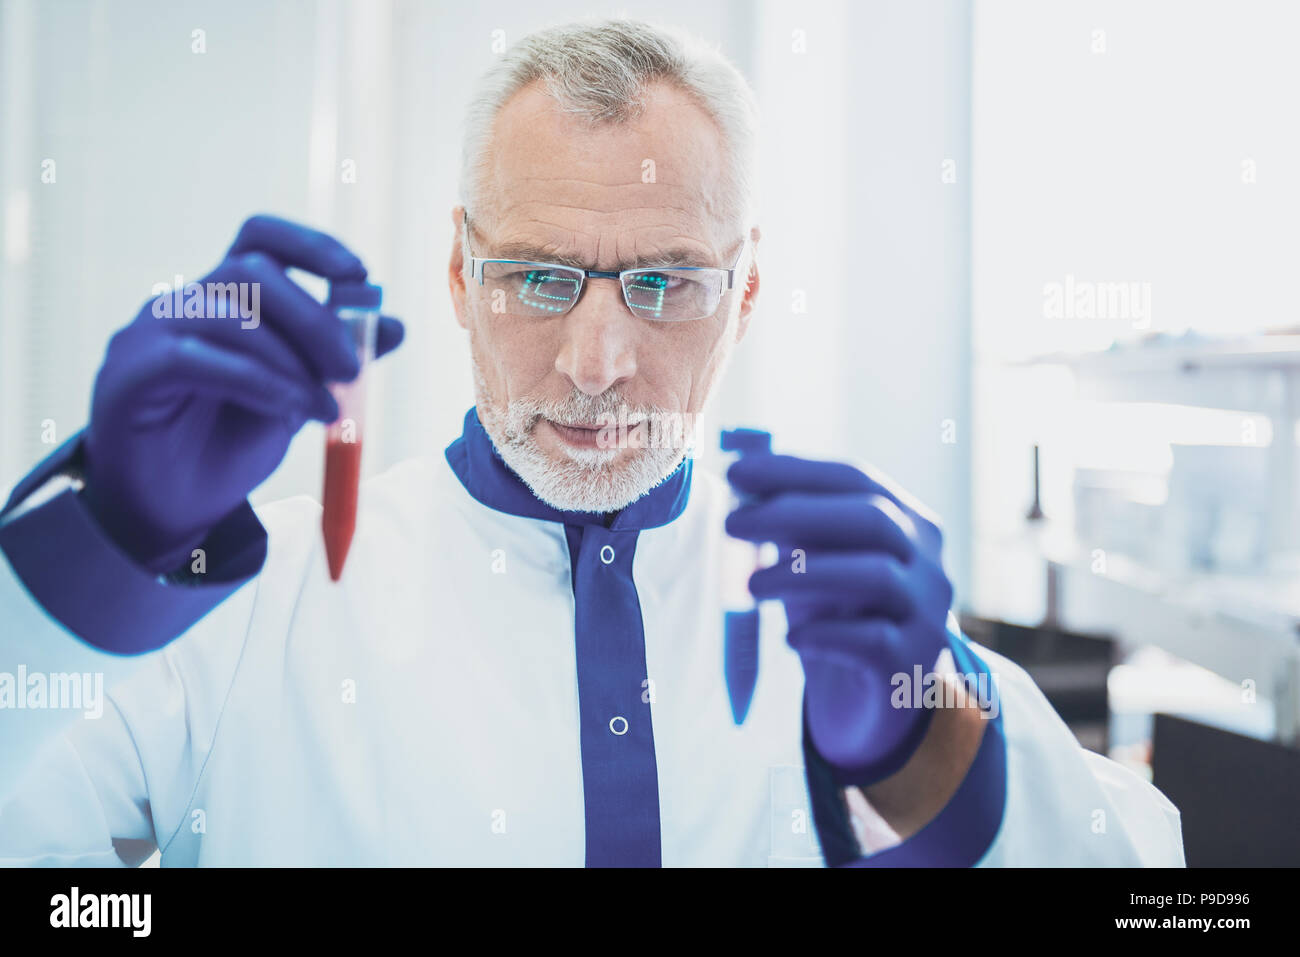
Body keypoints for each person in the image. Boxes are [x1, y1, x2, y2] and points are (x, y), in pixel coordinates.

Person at [0, 17, 1183, 867]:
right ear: (460, 272)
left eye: (667, 281)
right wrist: (90, 560)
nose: (597, 360)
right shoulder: (247, 605)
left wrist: (934, 735)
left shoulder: (832, 607)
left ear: (750, 288)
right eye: (538, 277)